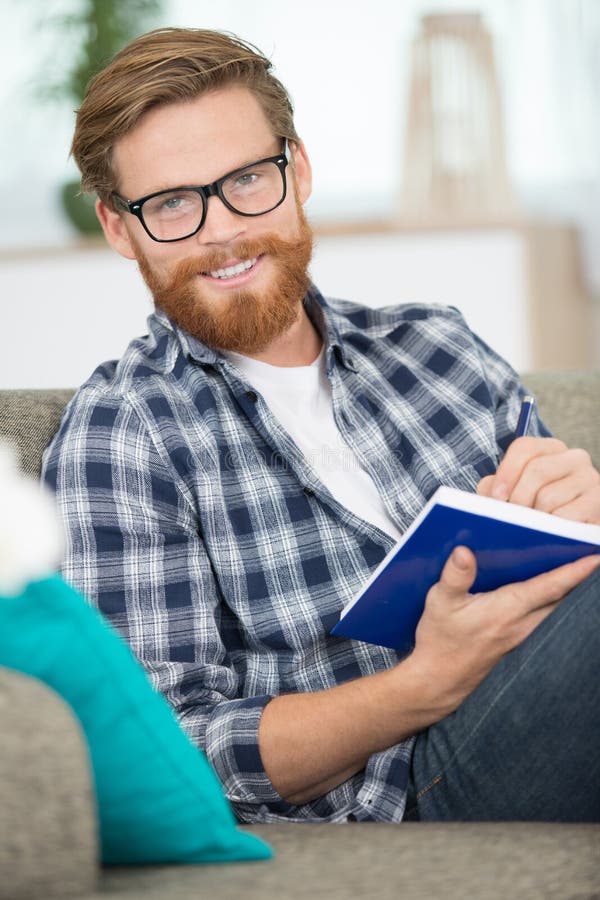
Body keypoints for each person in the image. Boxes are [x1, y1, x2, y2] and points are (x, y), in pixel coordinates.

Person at [43, 27, 600, 825]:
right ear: (118, 228)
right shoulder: (123, 433)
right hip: (407, 788)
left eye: (247, 180)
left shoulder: (437, 344)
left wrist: (582, 511)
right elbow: (160, 747)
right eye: (170, 203)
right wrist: (424, 682)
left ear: (297, 169)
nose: (221, 230)